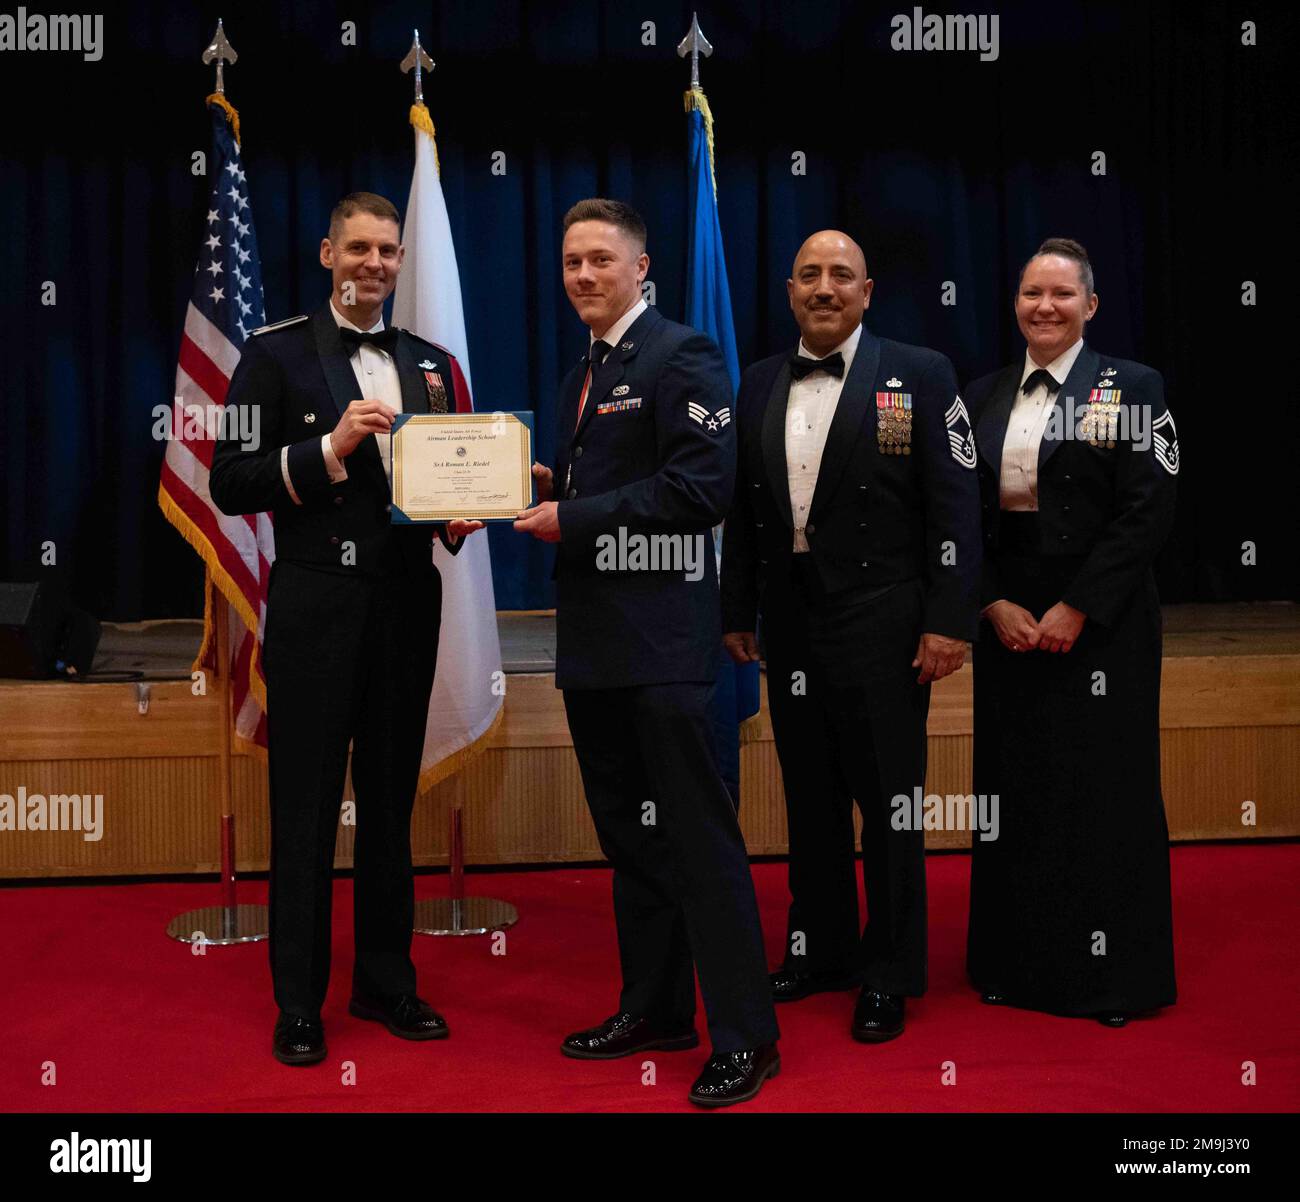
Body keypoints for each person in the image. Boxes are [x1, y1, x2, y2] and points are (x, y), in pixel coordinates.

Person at [515, 198, 780, 1107]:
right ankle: (657, 1008)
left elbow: (701, 487)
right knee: (633, 843)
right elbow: (616, 484)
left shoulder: (682, 353)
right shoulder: (581, 373)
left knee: (702, 845)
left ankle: (746, 1035)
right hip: (594, 648)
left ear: (640, 266)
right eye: (570, 262)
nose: (583, 276)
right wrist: (550, 485)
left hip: (664, 648)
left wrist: (574, 515)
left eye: (599, 259)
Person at [211, 191, 482, 1066]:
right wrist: (326, 451)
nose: (375, 264)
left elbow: (451, 475)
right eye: (359, 248)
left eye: (389, 251)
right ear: (328, 253)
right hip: (317, 608)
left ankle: (387, 983)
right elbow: (230, 480)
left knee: (391, 806)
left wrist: (458, 514)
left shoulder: (434, 364)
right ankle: (299, 1001)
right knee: (304, 810)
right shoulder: (274, 354)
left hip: (407, 605)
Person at [721, 230, 981, 1042]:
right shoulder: (761, 379)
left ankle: (892, 970)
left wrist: (948, 619)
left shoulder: (922, 373)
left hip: (885, 618)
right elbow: (743, 512)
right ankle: (821, 948)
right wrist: (737, 610)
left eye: (841, 275)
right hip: (792, 624)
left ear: (868, 291)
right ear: (790, 290)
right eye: (809, 275)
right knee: (812, 797)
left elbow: (956, 506)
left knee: (892, 804)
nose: (824, 287)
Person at [964, 237, 1178, 1026]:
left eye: (1061, 294)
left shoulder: (1132, 387)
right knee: (1016, 790)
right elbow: (961, 518)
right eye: (1030, 293)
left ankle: (1111, 980)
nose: (1044, 307)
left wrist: (1079, 606)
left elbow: (1148, 509)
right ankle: (1014, 968)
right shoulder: (982, 393)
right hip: (1010, 622)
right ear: (1015, 304)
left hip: (1103, 620)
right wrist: (989, 603)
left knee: (1104, 792)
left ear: (1090, 306)